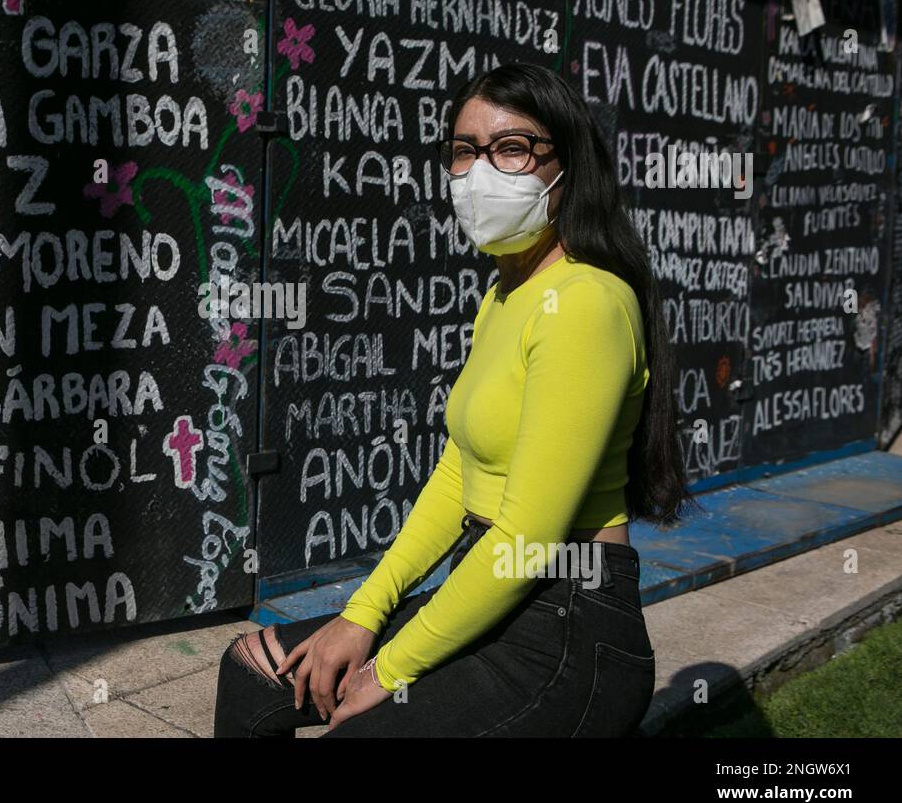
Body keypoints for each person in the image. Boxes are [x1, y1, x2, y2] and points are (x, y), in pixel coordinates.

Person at [213, 62, 697, 737]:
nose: (479, 172)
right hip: (494, 593)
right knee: (252, 667)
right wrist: (363, 613)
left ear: (568, 166)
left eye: (511, 147)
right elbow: (457, 476)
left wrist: (389, 670)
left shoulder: (585, 301)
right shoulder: (503, 297)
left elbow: (528, 541)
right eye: (465, 150)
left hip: (565, 628)